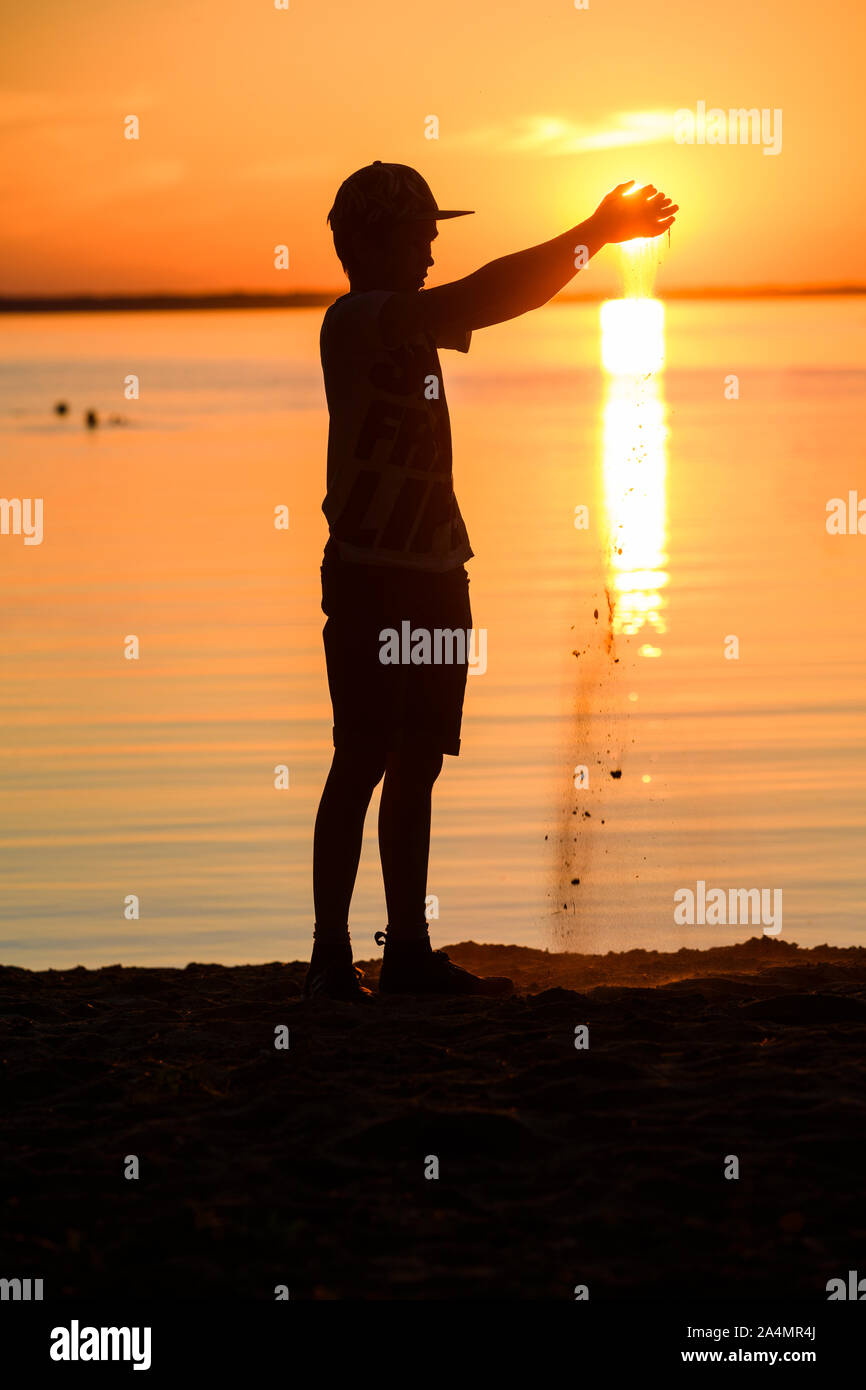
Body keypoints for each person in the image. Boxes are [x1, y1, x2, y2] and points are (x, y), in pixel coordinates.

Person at [305, 161, 677, 1000]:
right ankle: (330, 958)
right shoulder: (358, 320)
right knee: (361, 757)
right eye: (420, 235)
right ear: (371, 243)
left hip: (436, 571)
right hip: (370, 579)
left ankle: (405, 954)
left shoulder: (408, 321)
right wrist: (592, 233)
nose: (432, 249)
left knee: (417, 762)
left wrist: (590, 238)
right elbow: (483, 297)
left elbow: (487, 299)